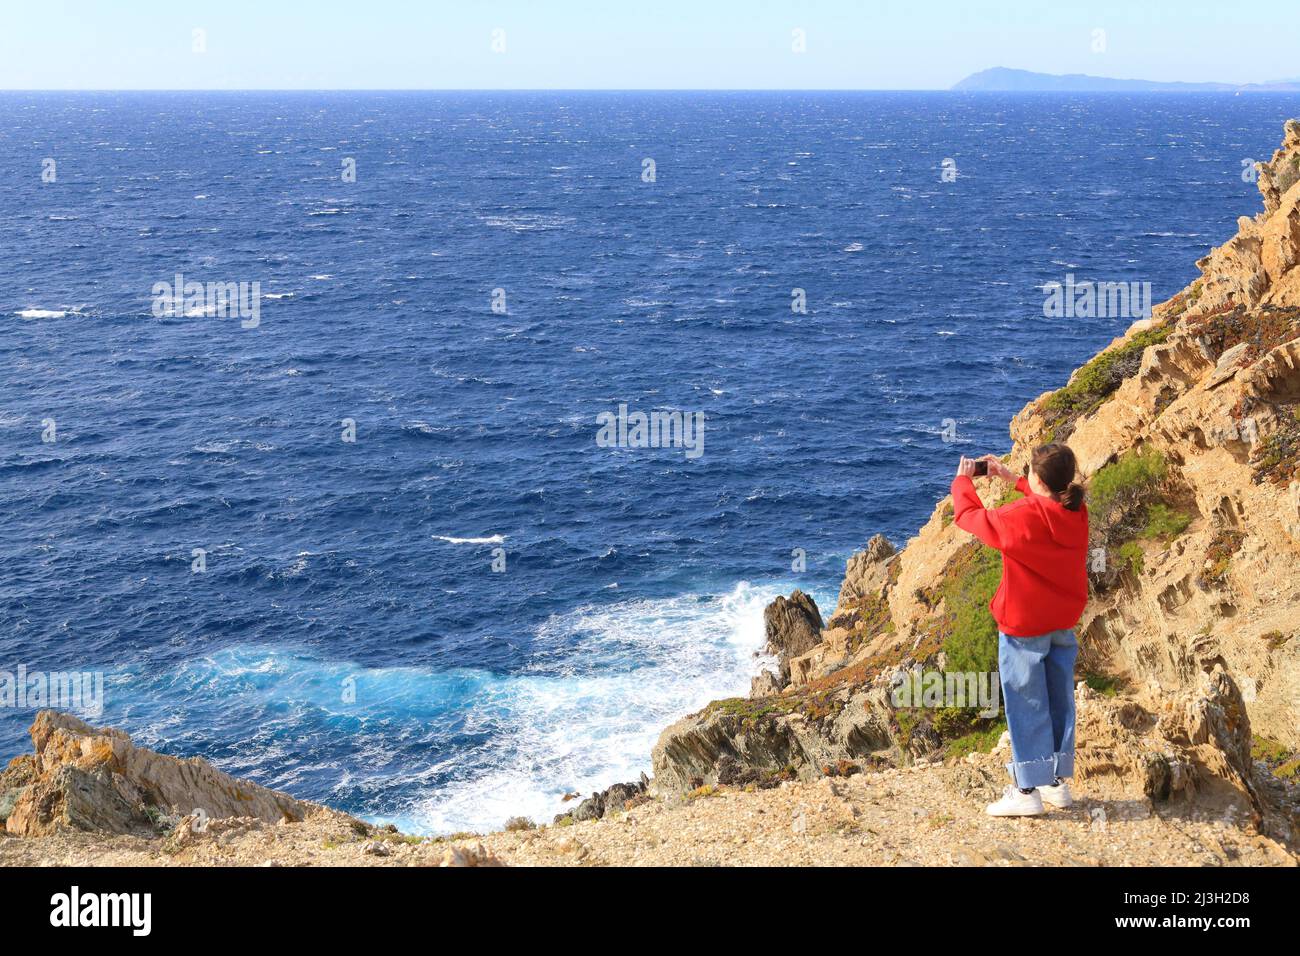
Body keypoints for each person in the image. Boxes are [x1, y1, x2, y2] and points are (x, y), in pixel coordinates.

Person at [951, 444, 1089, 817]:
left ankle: (1026, 789)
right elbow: (1046, 512)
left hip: (1024, 624)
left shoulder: (1022, 516)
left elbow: (969, 516)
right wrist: (1013, 479)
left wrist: (964, 481)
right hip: (1061, 619)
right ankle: (1056, 783)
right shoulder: (1075, 511)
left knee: (1026, 701)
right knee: (1059, 697)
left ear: (1038, 479)